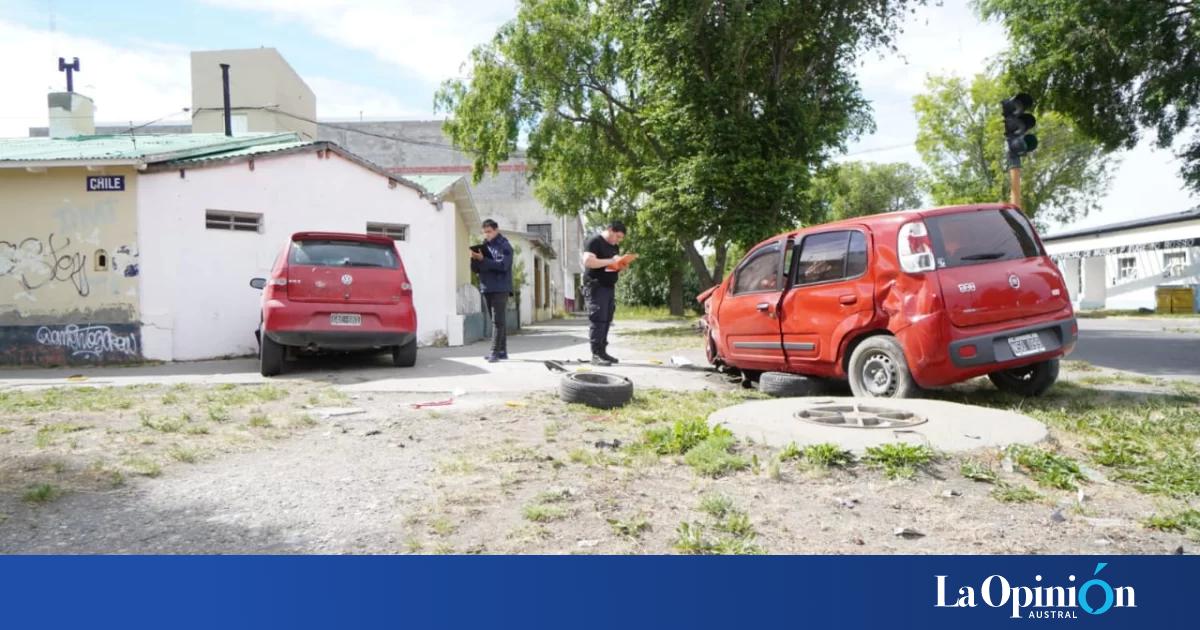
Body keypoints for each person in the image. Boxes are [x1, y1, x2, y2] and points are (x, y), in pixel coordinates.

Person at [580, 221, 628, 366]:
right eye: (617, 237)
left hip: (609, 287)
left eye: (620, 239)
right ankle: (595, 355)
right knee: (598, 319)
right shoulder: (595, 241)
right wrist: (610, 261)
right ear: (610, 230)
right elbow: (588, 261)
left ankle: (602, 352)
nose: (618, 241)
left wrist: (621, 265)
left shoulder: (614, 247)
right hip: (595, 286)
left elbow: (612, 265)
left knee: (607, 320)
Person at [470, 219, 513, 362]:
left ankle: (494, 352)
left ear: (496, 230)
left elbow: (503, 266)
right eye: (485, 232)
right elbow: (475, 269)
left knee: (497, 321)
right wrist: (475, 259)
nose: (487, 235)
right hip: (487, 287)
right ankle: (502, 351)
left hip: (500, 287)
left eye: (489, 232)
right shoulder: (483, 247)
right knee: (497, 320)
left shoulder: (505, 246)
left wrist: (484, 260)